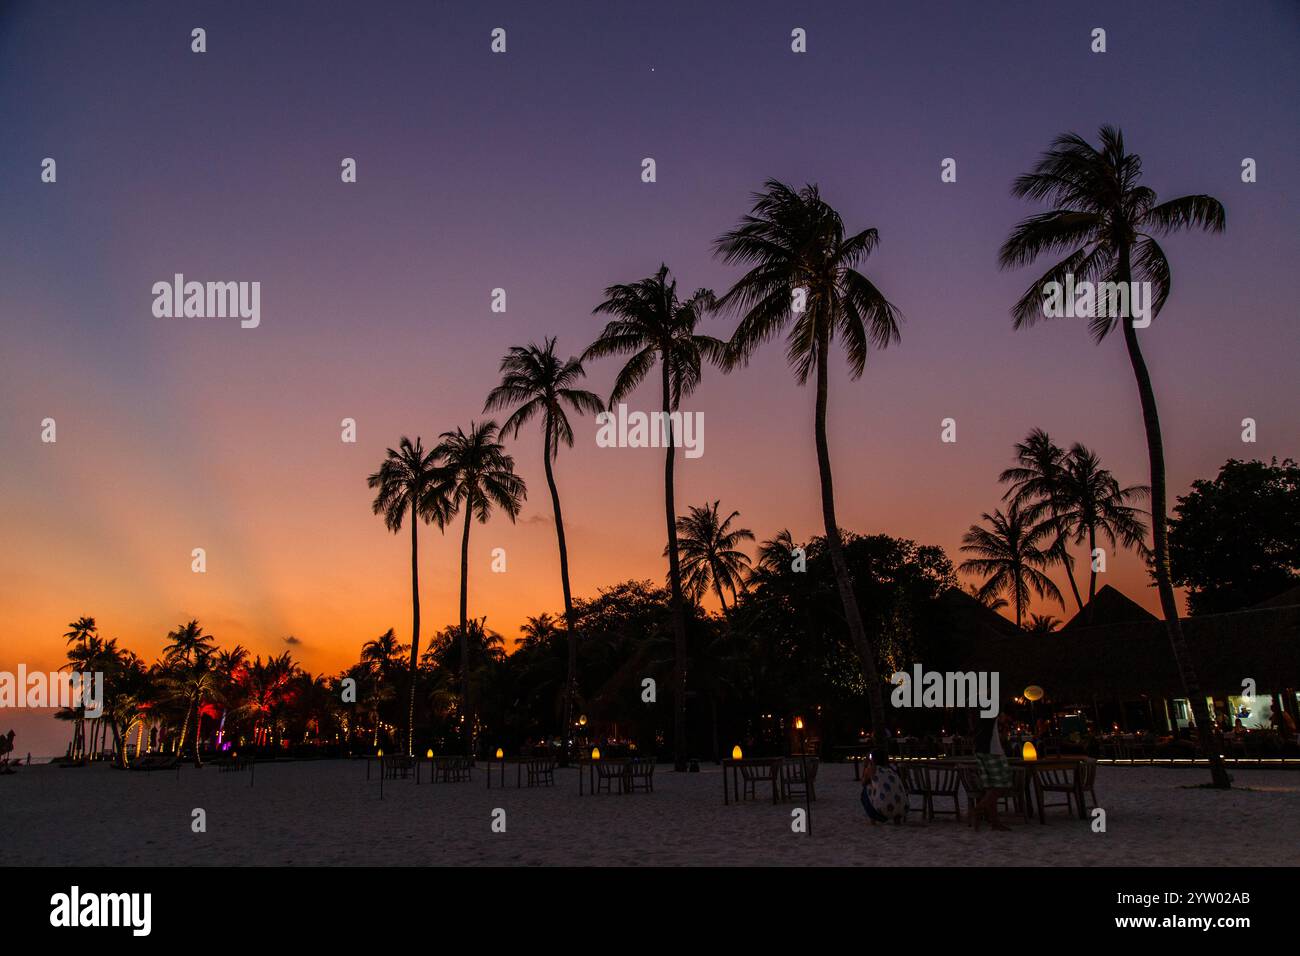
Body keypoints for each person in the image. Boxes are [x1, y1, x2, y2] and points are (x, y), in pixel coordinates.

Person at [971, 713, 1011, 831]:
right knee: (1001, 785)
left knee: (991, 788)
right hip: (992, 751)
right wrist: (1004, 723)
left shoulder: (976, 712)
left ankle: (995, 822)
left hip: (980, 749)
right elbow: (1002, 734)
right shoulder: (989, 706)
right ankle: (978, 809)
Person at [860, 748, 906, 824]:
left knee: (866, 789)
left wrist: (865, 766)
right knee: (890, 788)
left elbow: (863, 782)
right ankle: (896, 819)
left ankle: (873, 818)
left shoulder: (872, 769)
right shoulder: (891, 769)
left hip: (884, 808)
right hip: (903, 808)